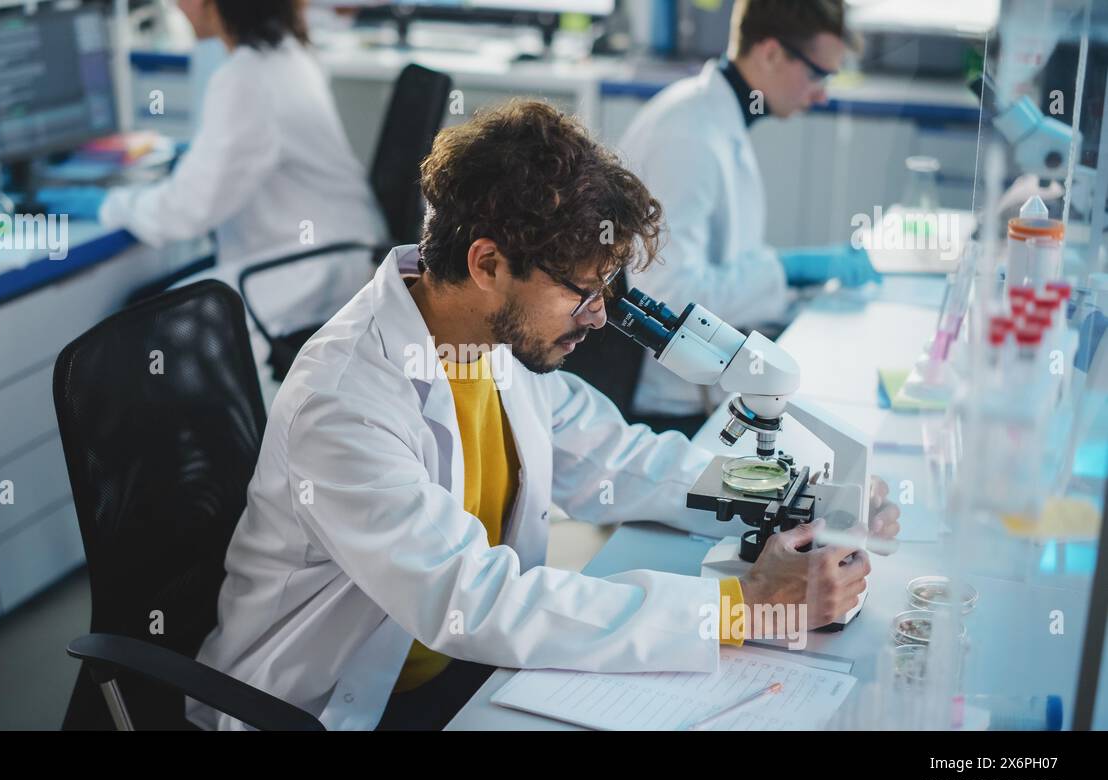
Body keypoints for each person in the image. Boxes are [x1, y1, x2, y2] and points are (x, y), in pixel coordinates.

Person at [187, 100, 899, 731]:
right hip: (331, 705)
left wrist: (795, 492)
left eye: (605, 290)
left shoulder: (486, 344)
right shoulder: (345, 401)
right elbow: (475, 599)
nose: (596, 317)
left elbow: (616, 460)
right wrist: (742, 604)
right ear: (488, 262)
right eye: (580, 292)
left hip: (456, 675)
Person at [39, 0, 387, 390]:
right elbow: (243, 159)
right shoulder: (286, 51)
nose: (176, 4)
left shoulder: (247, 77)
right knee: (161, 313)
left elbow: (187, 210)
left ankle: (245, 446)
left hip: (314, 266)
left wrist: (106, 206)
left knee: (170, 329)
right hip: (342, 252)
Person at [617, 0, 878, 435]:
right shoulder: (688, 135)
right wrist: (784, 271)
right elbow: (670, 297)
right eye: (817, 74)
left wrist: (788, 280)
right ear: (771, 52)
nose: (822, 94)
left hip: (703, 379)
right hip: (668, 405)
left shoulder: (719, 118)